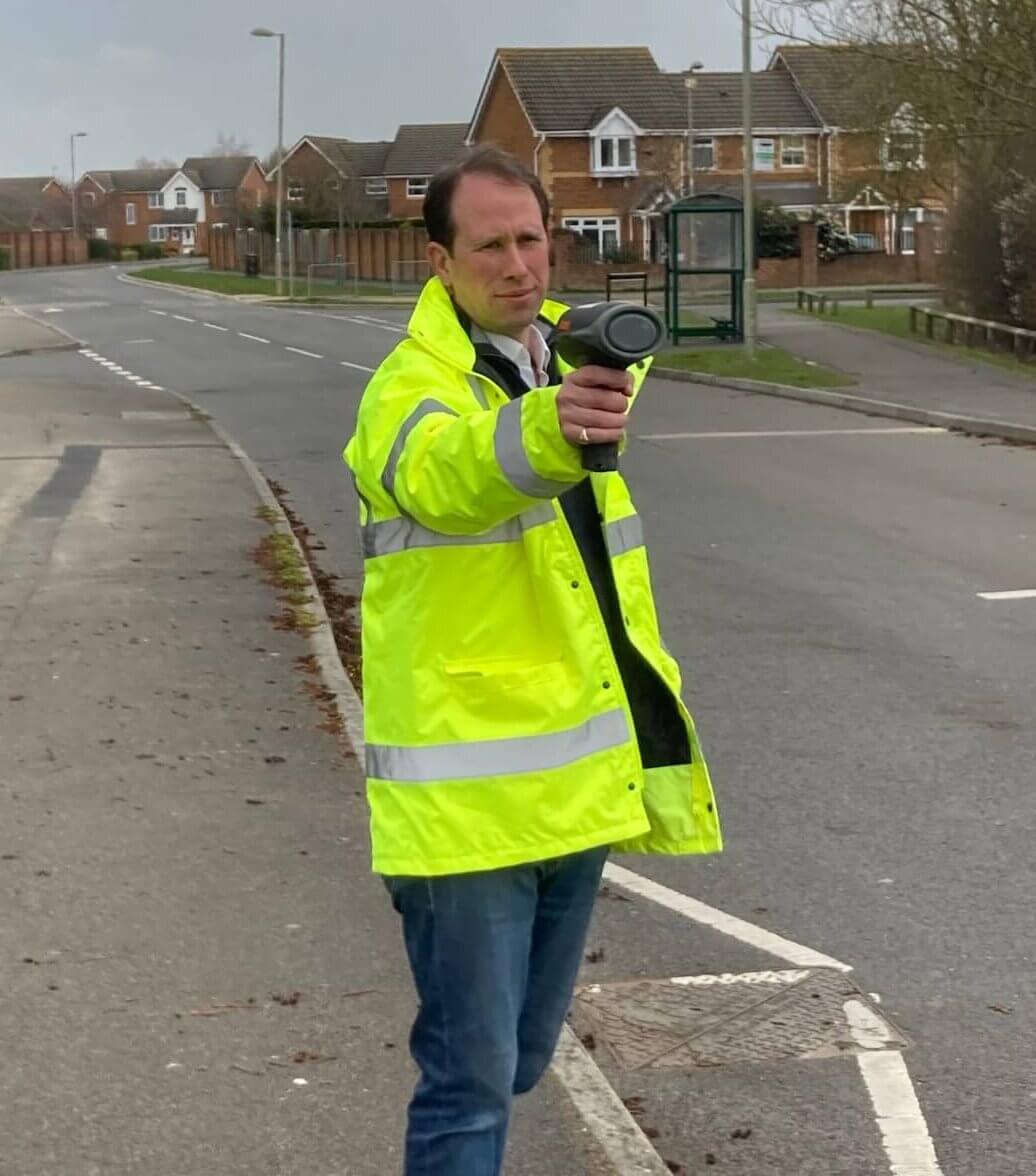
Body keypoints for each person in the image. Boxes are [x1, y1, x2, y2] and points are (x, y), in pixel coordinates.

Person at [343, 145, 721, 1176]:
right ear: (438, 261)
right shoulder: (406, 391)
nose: (518, 264)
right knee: (468, 1081)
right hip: (465, 810)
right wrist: (550, 432)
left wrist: (570, 396)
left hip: (570, 790)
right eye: (489, 246)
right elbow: (443, 474)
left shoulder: (568, 355)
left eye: (531, 238)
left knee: (516, 1057)